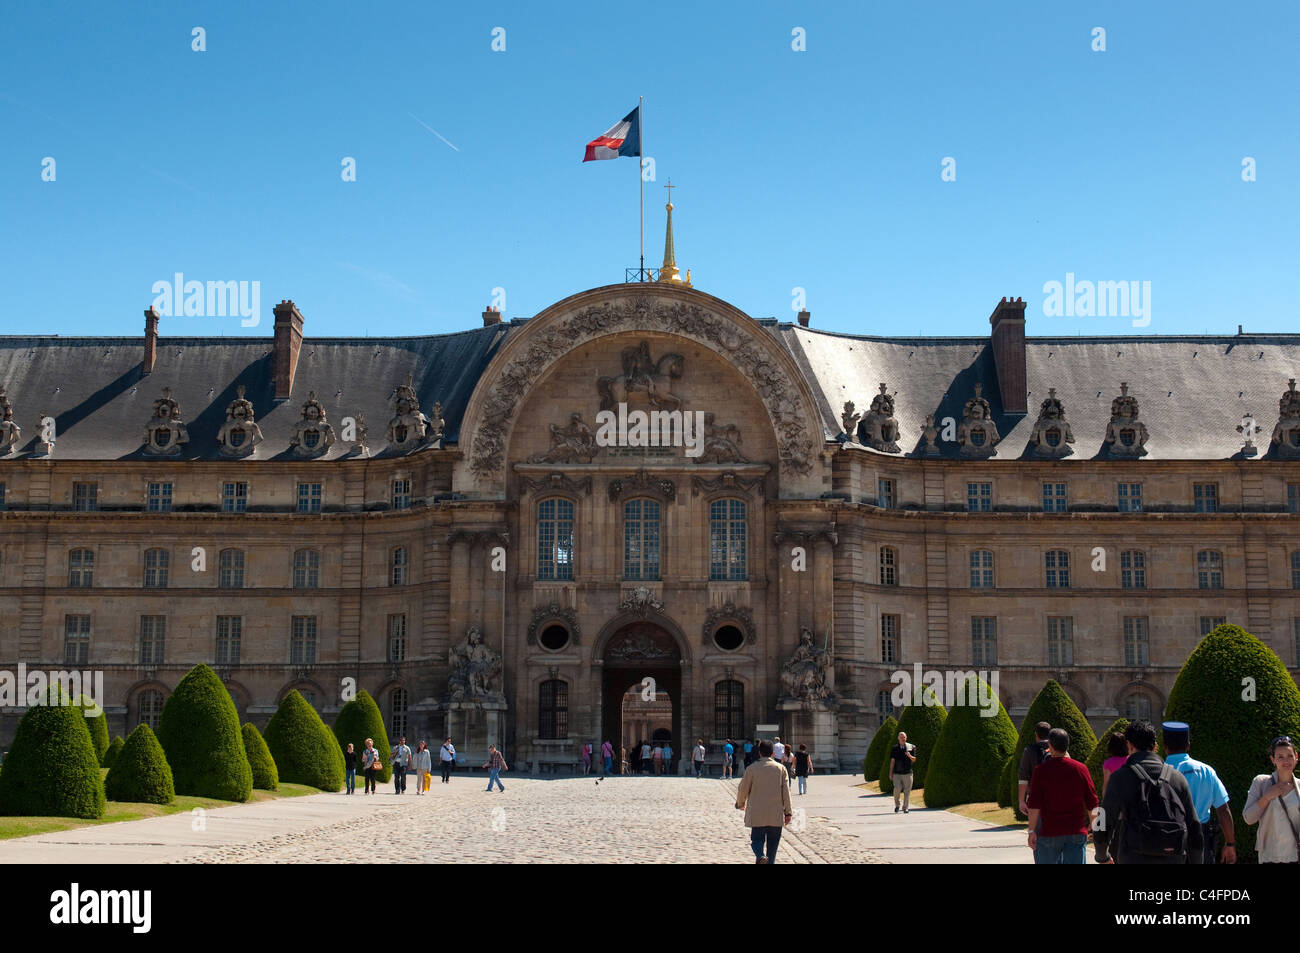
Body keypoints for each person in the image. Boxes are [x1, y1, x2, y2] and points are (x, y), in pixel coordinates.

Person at [1093, 720, 1202, 865]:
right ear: (1155, 746)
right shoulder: (1177, 778)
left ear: (1129, 745)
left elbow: (1104, 818)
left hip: (1134, 856)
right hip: (1172, 856)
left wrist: (1102, 855)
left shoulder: (1120, 777)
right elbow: (1194, 825)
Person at [1163, 721, 1236, 864]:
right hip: (1201, 838)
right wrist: (1230, 844)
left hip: (1169, 840)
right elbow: (1223, 809)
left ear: (1165, 746)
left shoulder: (1160, 772)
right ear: (1188, 745)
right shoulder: (1206, 771)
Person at [1025, 728, 1098, 863]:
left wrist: (1031, 831)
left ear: (1050, 746)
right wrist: (1095, 826)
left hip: (1049, 832)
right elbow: (1092, 801)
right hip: (1075, 830)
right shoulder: (1081, 769)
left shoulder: (1040, 771)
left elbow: (1034, 805)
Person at [1243, 736, 1300, 863]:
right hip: (1269, 857)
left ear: (1296, 757)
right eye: (1280, 757)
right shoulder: (1261, 782)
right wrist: (1267, 796)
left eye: (1290, 756)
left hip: (1295, 856)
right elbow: (1248, 818)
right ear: (1273, 759)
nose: (1286, 760)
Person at [735, 740, 793, 864]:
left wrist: (740, 803)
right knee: (773, 846)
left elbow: (742, 789)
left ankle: (760, 855)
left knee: (756, 840)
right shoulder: (781, 769)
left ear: (759, 753)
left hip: (757, 813)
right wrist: (788, 813)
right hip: (775, 813)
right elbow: (786, 793)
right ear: (772, 753)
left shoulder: (751, 769)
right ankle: (768, 860)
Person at [1019, 722, 1051, 815]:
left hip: (1034, 796)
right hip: (1055, 796)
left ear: (1036, 734)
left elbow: (1023, 777)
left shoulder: (1029, 751)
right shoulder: (1058, 749)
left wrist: (1021, 801)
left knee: (1037, 827)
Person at [890, 731, 917, 813]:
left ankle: (905, 807)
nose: (902, 739)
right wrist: (890, 773)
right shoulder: (894, 748)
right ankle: (897, 805)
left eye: (904, 737)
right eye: (901, 737)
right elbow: (892, 761)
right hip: (897, 773)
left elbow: (914, 759)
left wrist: (909, 755)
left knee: (907, 791)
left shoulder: (911, 747)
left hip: (907, 773)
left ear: (906, 738)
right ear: (898, 738)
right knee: (897, 789)